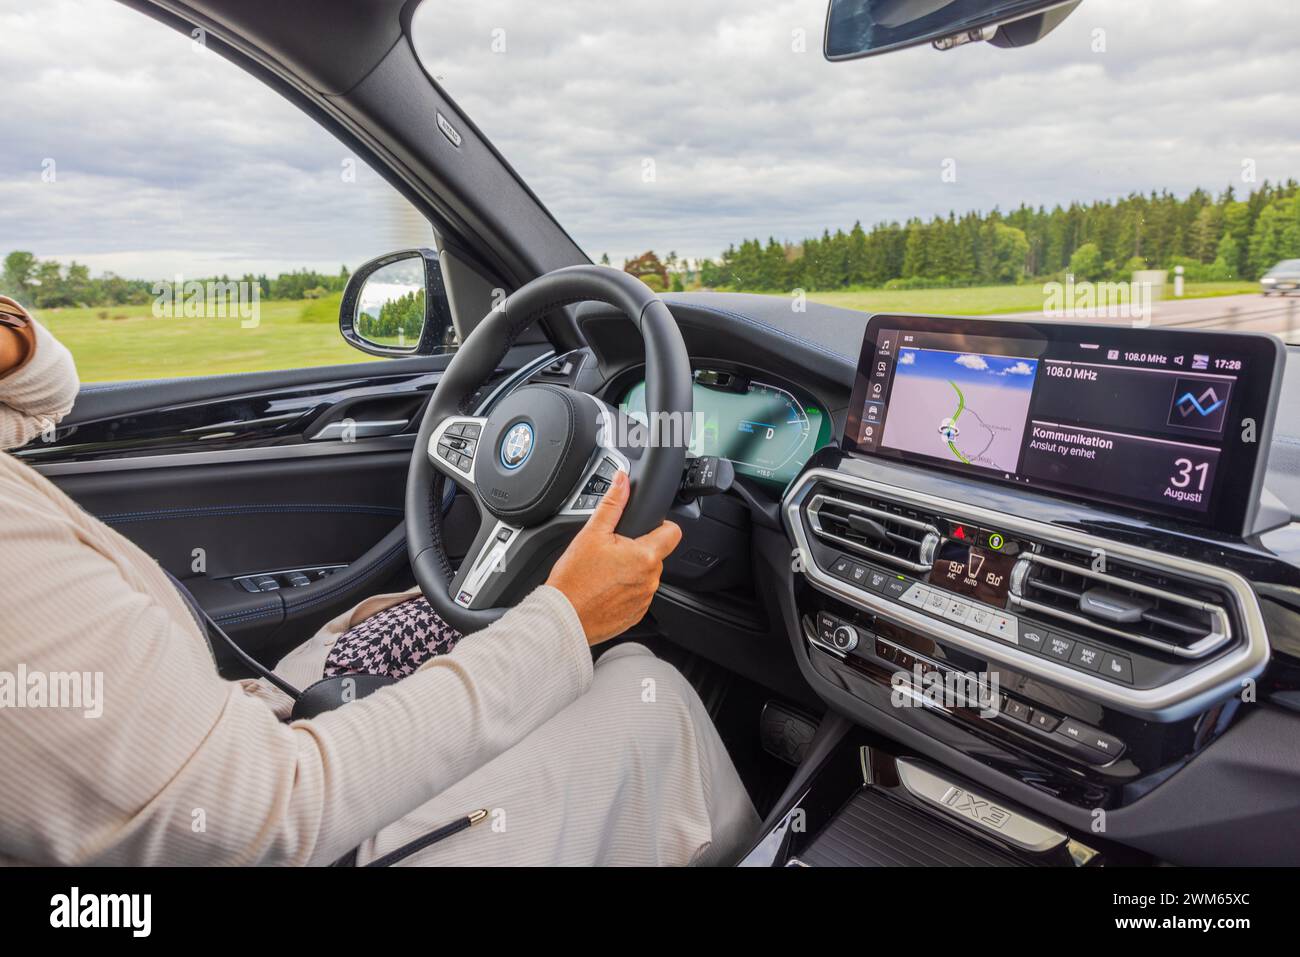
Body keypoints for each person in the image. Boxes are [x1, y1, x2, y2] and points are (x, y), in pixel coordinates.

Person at [0, 294, 759, 866]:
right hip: (286, 826)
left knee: (383, 635)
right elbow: (268, 813)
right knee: (643, 692)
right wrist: (562, 618)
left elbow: (43, 396)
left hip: (232, 748)